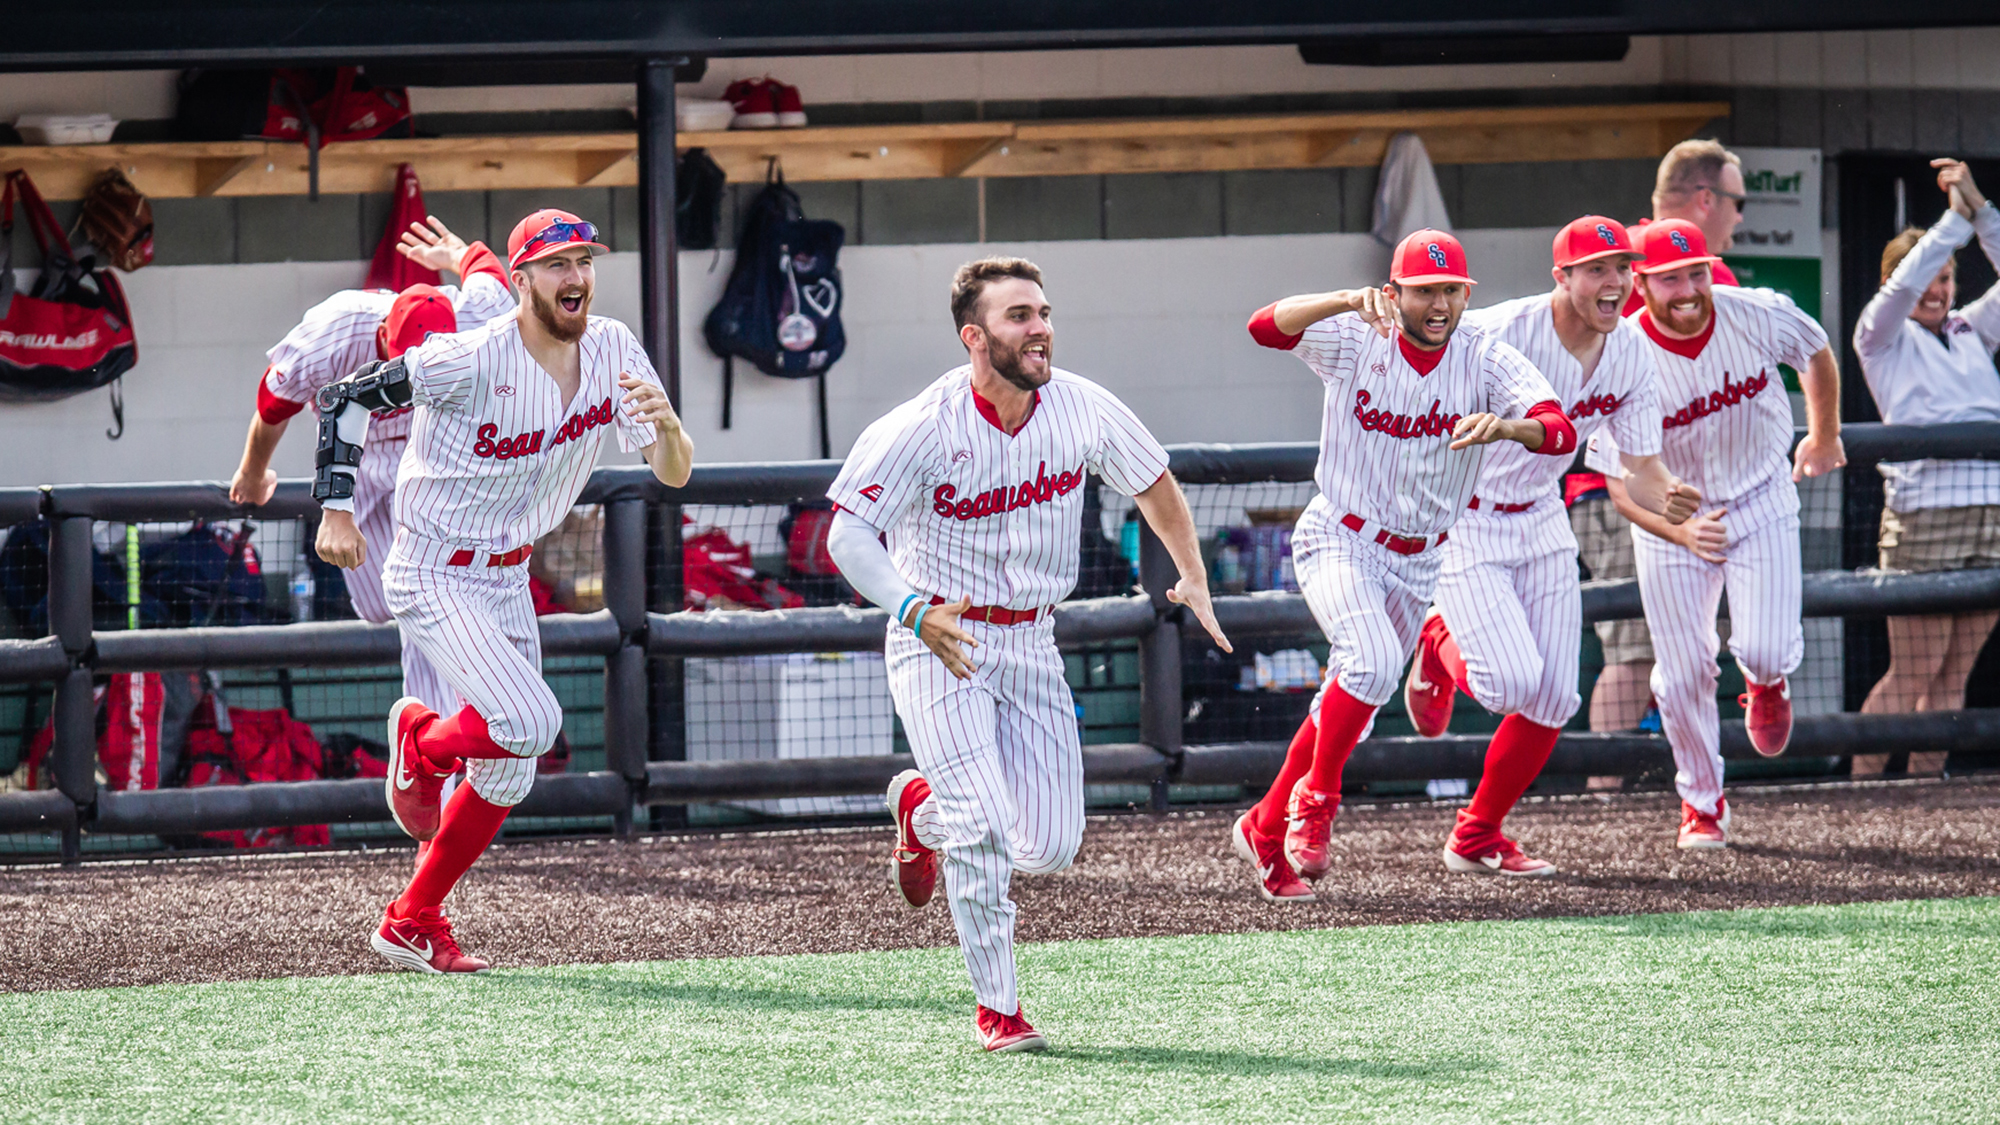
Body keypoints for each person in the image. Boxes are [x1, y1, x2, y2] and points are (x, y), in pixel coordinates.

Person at [824, 257, 1228, 1053]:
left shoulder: (1080, 405)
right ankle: (999, 1008)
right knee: (981, 827)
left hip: (1032, 637)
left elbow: (1154, 481)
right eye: (1018, 316)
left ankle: (919, 811)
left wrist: (1193, 573)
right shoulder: (922, 425)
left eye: (1042, 311)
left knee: (1050, 844)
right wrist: (911, 608)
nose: (1039, 326)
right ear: (974, 337)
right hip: (939, 637)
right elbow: (846, 533)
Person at [312, 209, 693, 973]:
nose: (575, 276)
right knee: (529, 718)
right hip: (431, 565)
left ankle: (411, 917)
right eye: (557, 264)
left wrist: (672, 426)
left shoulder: (615, 346)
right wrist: (336, 507)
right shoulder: (470, 356)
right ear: (520, 281)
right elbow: (345, 400)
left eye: (584, 260)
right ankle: (422, 742)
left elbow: (673, 472)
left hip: (507, 571)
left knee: (512, 768)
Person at [1234, 230, 1575, 901]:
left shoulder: (1481, 353)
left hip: (1422, 558)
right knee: (1365, 663)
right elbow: (1262, 327)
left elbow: (1558, 426)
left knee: (1353, 704)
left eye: (1452, 289)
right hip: (1343, 535)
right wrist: (1341, 299)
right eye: (1425, 290)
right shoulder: (1358, 336)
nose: (1440, 302)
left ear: (1466, 294)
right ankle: (1318, 800)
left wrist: (1511, 429)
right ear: (1395, 293)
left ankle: (1265, 823)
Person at [1403, 217, 1700, 876]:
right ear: (1561, 277)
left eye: (1622, 268)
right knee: (1507, 682)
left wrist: (1669, 493)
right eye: (1596, 268)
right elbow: (1415, 382)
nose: (1614, 282)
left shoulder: (1629, 352)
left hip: (1541, 514)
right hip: (1467, 514)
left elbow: (1641, 467)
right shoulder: (1500, 330)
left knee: (1556, 697)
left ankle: (1476, 834)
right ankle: (1432, 637)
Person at [1589, 219, 1845, 849]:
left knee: (1760, 647)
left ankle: (1767, 680)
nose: (1687, 288)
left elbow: (1814, 350)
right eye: (1670, 277)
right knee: (1680, 676)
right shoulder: (1617, 351)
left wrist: (1825, 432)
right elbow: (1616, 484)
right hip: (1673, 519)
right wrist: (1678, 533)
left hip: (1759, 497)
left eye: (1696, 271)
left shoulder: (1753, 312)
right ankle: (1703, 803)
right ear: (1639, 282)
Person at [231, 217, 513, 726]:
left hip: (428, 455)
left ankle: (436, 736)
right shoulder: (336, 329)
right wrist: (254, 473)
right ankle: (436, 729)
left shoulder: (471, 321)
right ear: (385, 335)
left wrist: (457, 254)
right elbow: (274, 404)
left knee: (430, 593)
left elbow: (491, 278)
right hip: (352, 464)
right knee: (385, 606)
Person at [1574, 140, 1752, 738]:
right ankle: (1603, 801)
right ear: (1707, 200)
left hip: (1606, 484)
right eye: (1737, 201)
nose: (1739, 217)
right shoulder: (1702, 277)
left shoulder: (1611, 258)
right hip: (1627, 482)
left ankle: (1628, 795)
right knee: (1637, 653)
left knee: (1661, 651)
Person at [1851, 158, 2000, 775]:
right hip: (1925, 517)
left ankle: (1924, 790)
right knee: (1912, 669)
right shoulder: (1878, 334)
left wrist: (1983, 212)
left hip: (1993, 515)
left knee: (1954, 672)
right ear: (1900, 285)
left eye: (1948, 278)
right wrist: (1951, 221)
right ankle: (1855, 797)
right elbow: (1901, 292)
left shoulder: (1971, 327)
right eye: (1927, 280)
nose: (1938, 291)